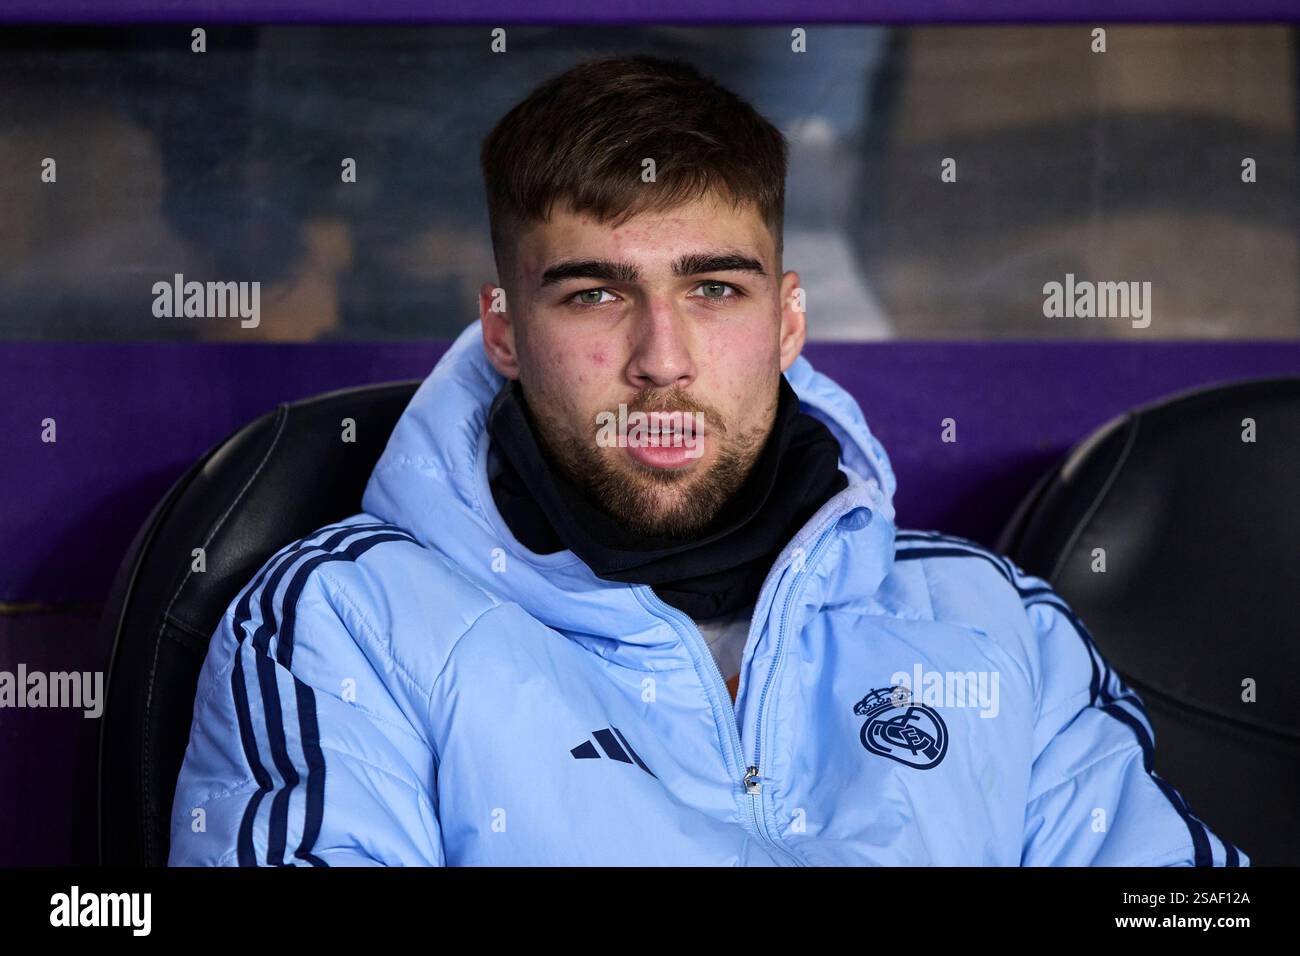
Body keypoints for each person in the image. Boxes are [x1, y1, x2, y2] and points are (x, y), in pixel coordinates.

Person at [168, 54, 1244, 866]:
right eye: (594, 293)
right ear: (502, 331)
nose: (661, 361)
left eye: (713, 289)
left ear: (785, 321)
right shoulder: (347, 623)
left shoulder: (990, 622)